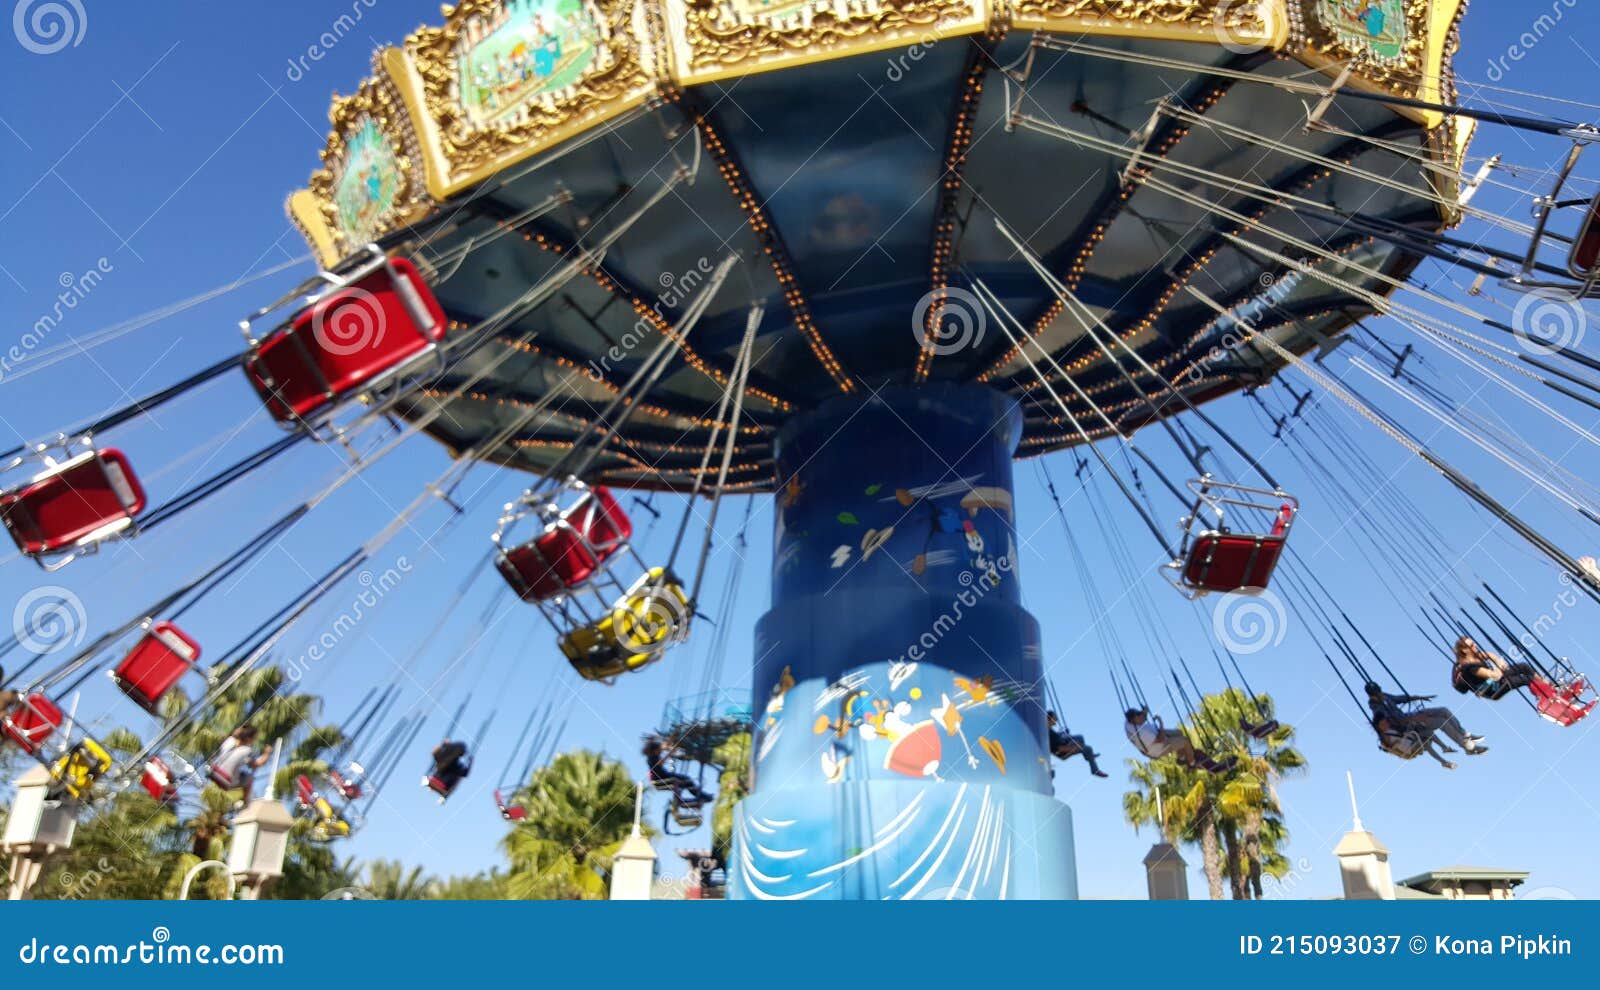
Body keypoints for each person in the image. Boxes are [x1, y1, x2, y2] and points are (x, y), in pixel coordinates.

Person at [1364, 682, 1486, 754]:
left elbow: (1400, 698)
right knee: (1441, 722)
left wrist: (1420, 697)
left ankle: (1464, 734)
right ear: (1372, 696)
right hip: (1407, 725)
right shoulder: (1377, 709)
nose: (1381, 695)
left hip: (1409, 716)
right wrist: (1417, 719)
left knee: (1444, 710)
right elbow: (1395, 723)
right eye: (1378, 694)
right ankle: (1468, 747)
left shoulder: (1384, 696)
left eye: (1380, 692)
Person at [1123, 708, 1235, 773]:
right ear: (1135, 719)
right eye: (1141, 717)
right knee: (1185, 741)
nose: (1143, 717)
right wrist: (1160, 722)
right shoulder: (1143, 734)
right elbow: (1161, 739)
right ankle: (1192, 763)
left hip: (1155, 736)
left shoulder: (1129, 723)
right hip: (1159, 747)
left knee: (1179, 733)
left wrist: (1145, 711)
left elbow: (1139, 717)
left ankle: (1182, 758)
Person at [1451, 636, 1539, 701]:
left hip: (1495, 681)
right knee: (1526, 679)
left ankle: (1547, 685)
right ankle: (1543, 695)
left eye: (1474, 643)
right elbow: (1495, 676)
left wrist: (1498, 662)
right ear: (1465, 650)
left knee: (1524, 666)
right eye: (1472, 645)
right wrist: (1500, 668)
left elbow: (1489, 654)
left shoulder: (1475, 656)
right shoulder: (1469, 668)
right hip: (1491, 689)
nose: (1475, 645)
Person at [211, 726, 272, 806]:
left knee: (241, 772)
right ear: (249, 739)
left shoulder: (229, 741)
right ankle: (245, 803)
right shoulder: (247, 751)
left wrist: (241, 730)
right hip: (226, 781)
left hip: (214, 773)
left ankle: (240, 801)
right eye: (254, 739)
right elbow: (256, 764)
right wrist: (267, 753)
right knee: (250, 779)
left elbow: (235, 733)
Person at [643, 737, 712, 805]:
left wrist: (673, 737)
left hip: (664, 775)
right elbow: (660, 763)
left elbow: (666, 745)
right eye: (659, 750)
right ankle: (702, 797)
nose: (660, 751)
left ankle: (701, 796)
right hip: (660, 779)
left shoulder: (655, 752)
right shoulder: (651, 760)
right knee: (686, 779)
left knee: (686, 781)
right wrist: (670, 752)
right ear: (655, 751)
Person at [1372, 716, 1456, 769]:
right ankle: (1444, 762)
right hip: (1408, 749)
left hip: (1410, 740)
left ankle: (1444, 747)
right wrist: (1393, 743)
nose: (1386, 724)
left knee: (1429, 732)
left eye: (1386, 722)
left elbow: (1402, 734)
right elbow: (1388, 746)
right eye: (1383, 724)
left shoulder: (1391, 730)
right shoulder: (1384, 737)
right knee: (1426, 744)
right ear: (1379, 726)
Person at [1046, 711, 1108, 778]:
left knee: (1081, 738)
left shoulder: (1049, 730)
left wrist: (1062, 734)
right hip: (1063, 752)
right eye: (1054, 720)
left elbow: (1057, 740)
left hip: (1063, 743)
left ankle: (1089, 757)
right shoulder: (1049, 733)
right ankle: (1093, 767)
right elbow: (1059, 749)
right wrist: (1075, 747)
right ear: (1049, 719)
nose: (1055, 723)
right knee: (1087, 748)